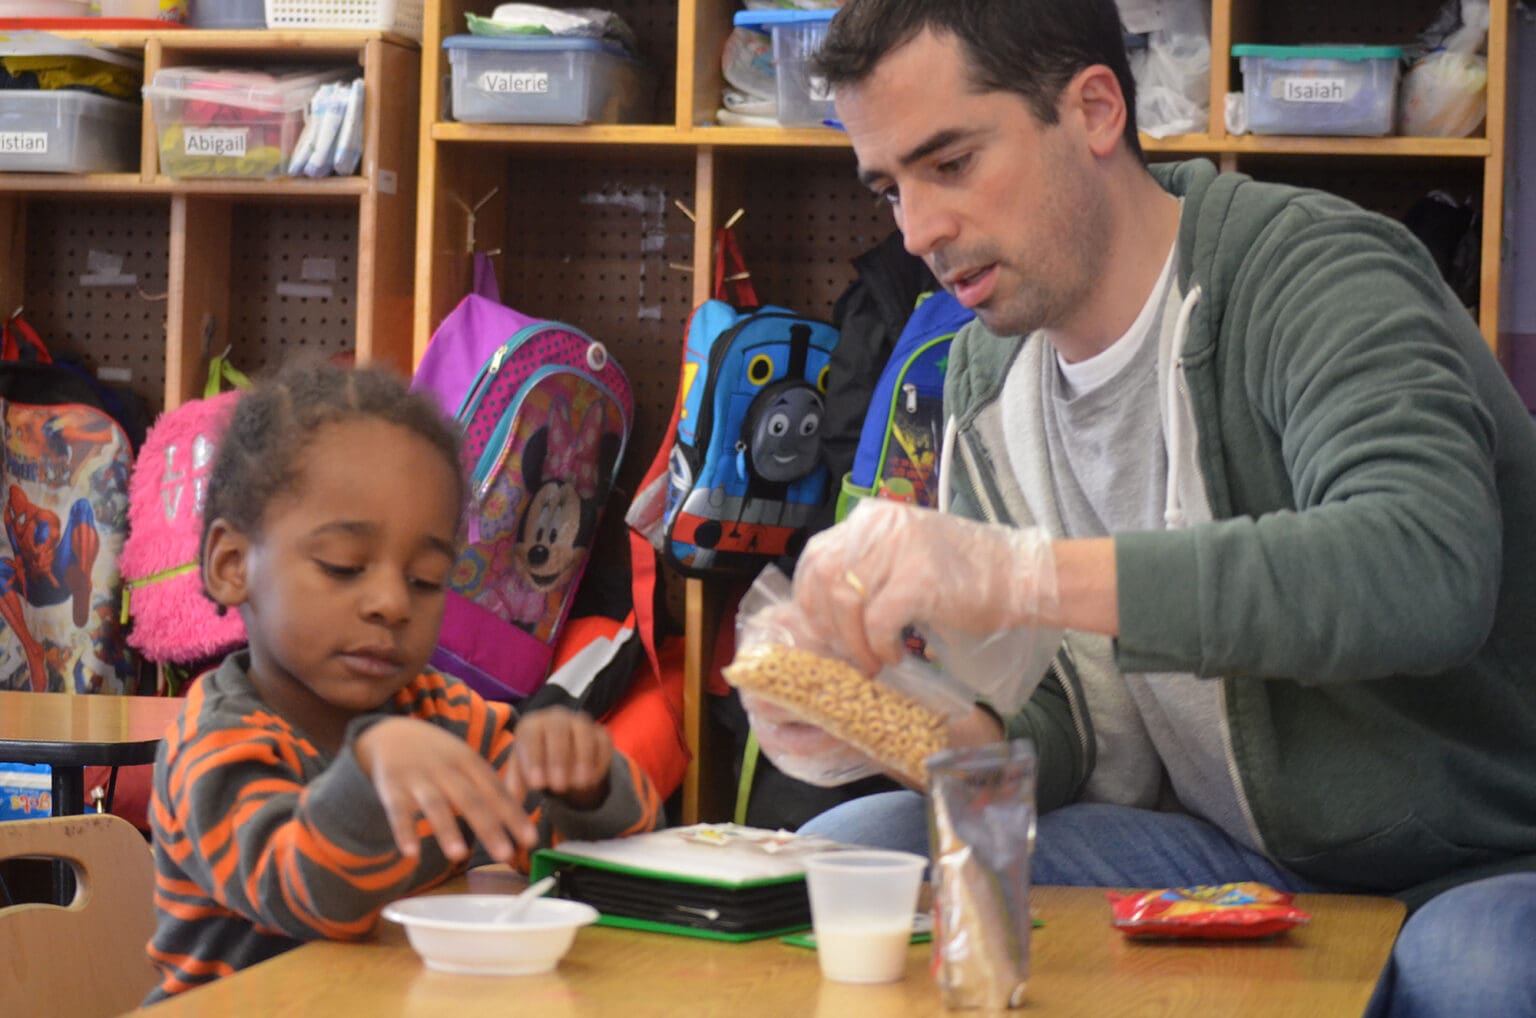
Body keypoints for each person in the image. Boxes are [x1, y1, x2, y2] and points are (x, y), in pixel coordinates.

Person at [783, 3, 1536, 1016]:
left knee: (1481, 975)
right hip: (1223, 848)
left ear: (1096, 109)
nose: (917, 231)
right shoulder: (982, 373)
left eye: (950, 163)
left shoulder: (1315, 273)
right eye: (891, 188)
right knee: (850, 850)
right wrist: (897, 717)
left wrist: (1026, 572)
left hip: (1472, 859)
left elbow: (1426, 565)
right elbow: (1066, 727)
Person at [144, 361, 662, 1002]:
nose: (392, 602)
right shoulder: (215, 744)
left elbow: (608, 852)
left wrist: (583, 786)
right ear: (230, 566)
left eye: (424, 579)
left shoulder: (442, 716)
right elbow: (307, 893)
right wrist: (370, 772)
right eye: (343, 566)